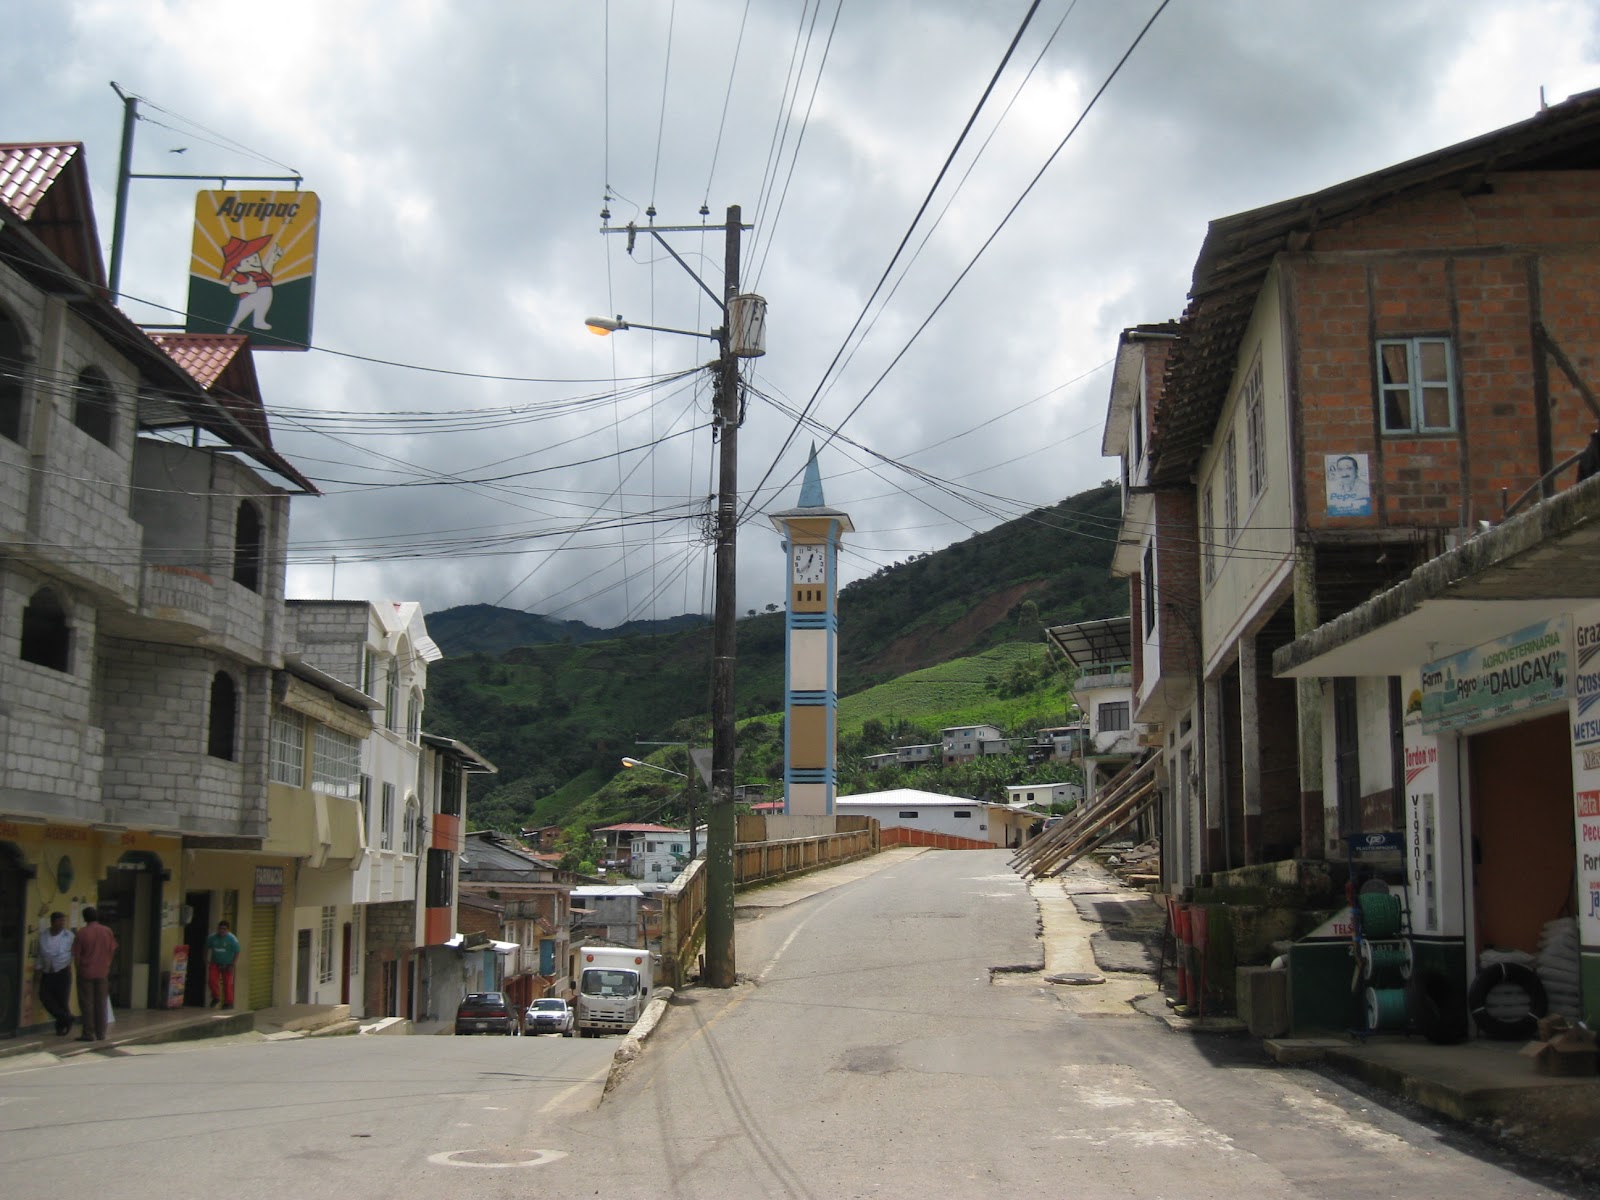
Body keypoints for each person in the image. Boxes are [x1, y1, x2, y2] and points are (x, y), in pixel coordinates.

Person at [71, 907, 117, 1043]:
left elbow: (77, 956)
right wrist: (107, 964)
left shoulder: (82, 933)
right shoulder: (107, 931)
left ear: (84, 918)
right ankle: (101, 1033)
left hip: (86, 972)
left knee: (87, 1003)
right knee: (101, 1002)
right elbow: (112, 949)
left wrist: (78, 970)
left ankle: (88, 1033)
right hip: (102, 971)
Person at [37, 911, 74, 1036]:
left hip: (62, 971)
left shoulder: (69, 936)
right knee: (44, 996)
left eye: (63, 921)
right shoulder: (44, 936)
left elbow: (71, 953)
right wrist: (38, 969)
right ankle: (67, 1017)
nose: (62, 923)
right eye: (60, 921)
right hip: (48, 971)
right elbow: (41, 955)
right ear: (53, 922)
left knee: (62, 1000)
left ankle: (61, 1027)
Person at [206, 920, 241, 1010]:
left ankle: (228, 1002)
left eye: (224, 929)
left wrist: (232, 964)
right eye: (220, 928)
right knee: (212, 980)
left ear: (228, 930)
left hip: (228, 964)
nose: (222, 931)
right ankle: (216, 997)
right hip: (215, 963)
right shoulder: (212, 938)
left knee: (227, 984)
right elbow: (206, 947)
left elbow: (237, 952)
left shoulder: (233, 939)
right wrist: (206, 958)